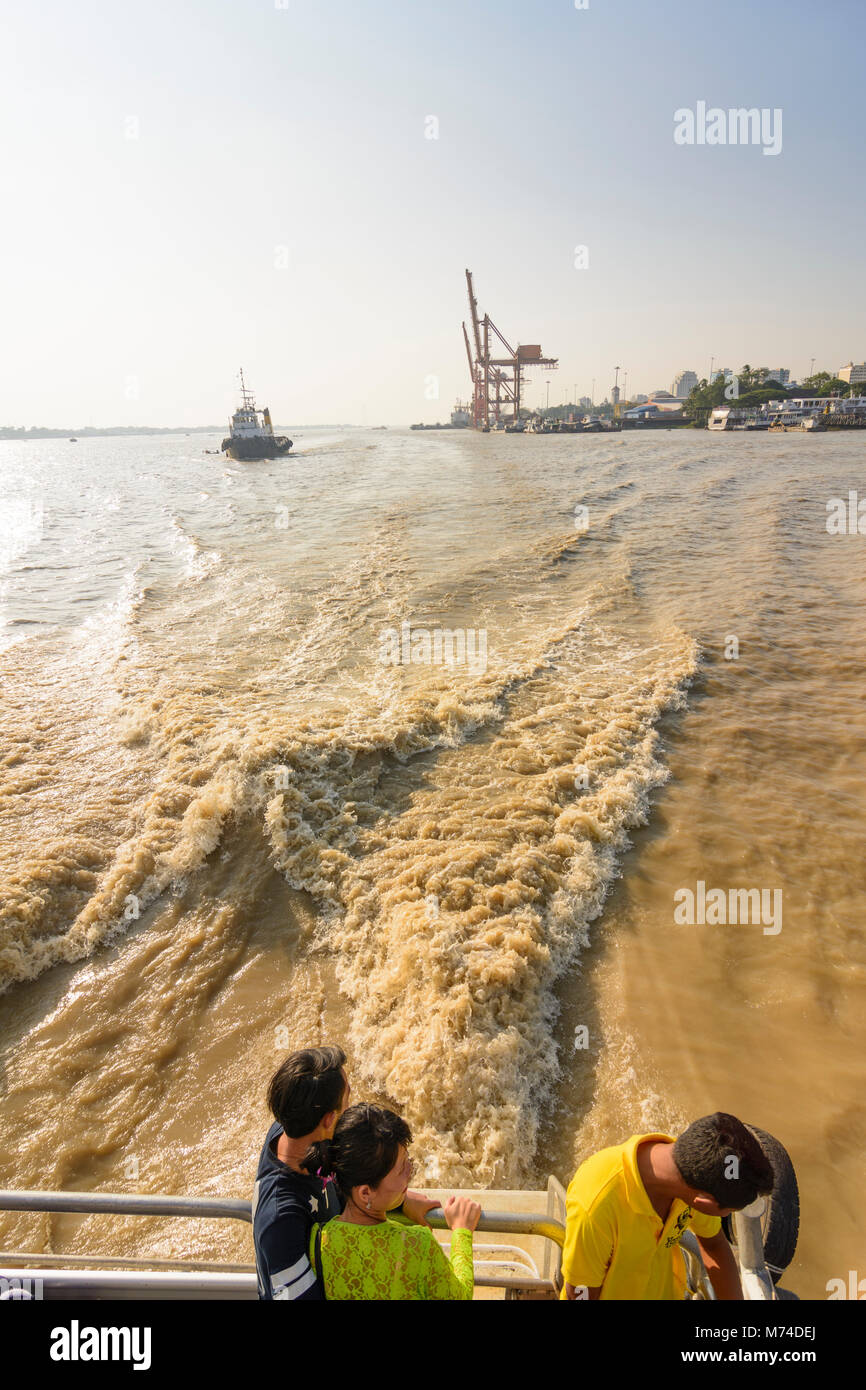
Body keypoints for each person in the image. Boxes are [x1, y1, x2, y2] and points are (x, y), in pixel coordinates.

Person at [252, 1047, 436, 1301]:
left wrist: (400, 1201)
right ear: (328, 1120)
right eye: (347, 1098)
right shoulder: (280, 1220)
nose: (352, 1103)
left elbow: (338, 1171)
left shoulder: (295, 1129)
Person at [560, 1112, 775, 1300]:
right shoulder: (595, 1206)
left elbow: (714, 1245)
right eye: (729, 1212)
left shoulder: (694, 1170)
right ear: (703, 1202)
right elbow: (580, 1292)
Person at [306, 1103, 481, 1300]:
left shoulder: (317, 1240)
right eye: (401, 1169)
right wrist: (462, 1231)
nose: (410, 1171)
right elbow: (460, 1296)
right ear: (365, 1193)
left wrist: (403, 1201)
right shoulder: (417, 1245)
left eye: (407, 1160)